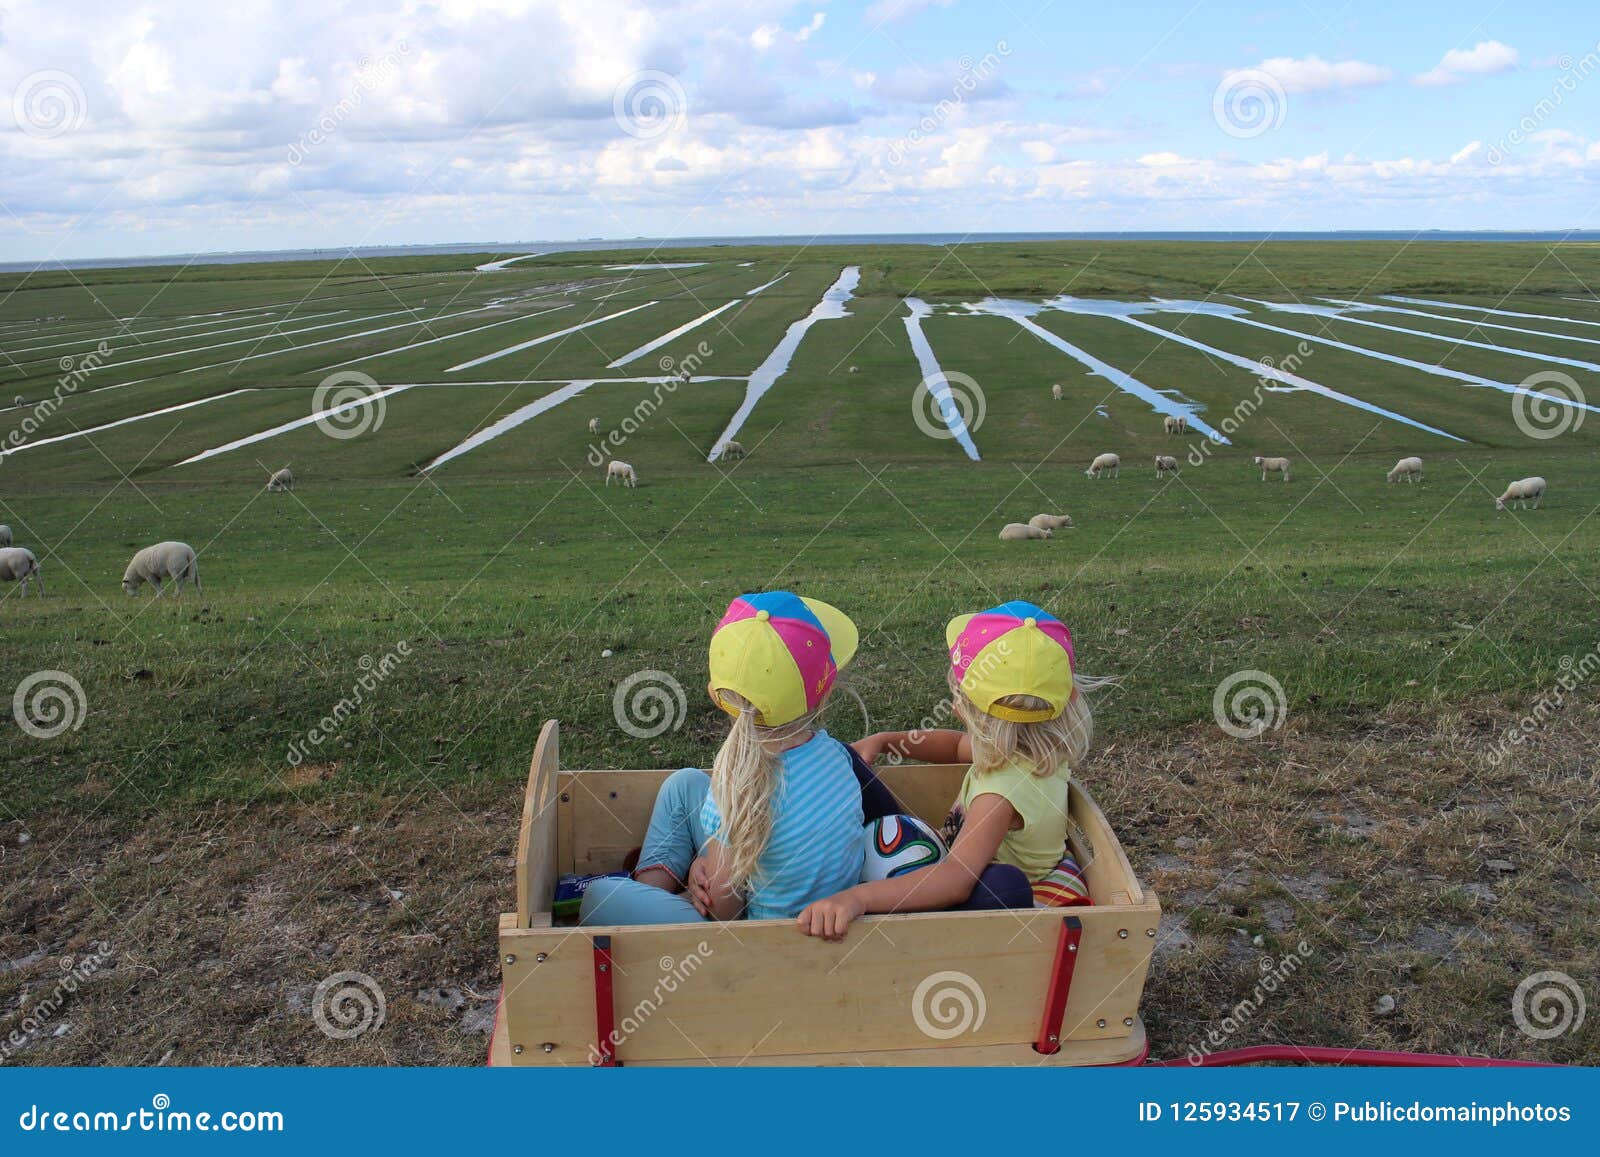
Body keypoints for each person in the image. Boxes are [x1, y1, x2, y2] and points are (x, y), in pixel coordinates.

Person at [798, 600, 1105, 940]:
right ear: (1070, 697)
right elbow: (955, 745)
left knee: (1004, 886)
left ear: (962, 707)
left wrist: (857, 898)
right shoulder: (1024, 746)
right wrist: (886, 740)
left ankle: (845, 869)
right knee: (845, 756)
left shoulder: (999, 797)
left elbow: (958, 879)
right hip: (944, 852)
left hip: (970, 882)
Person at [580, 591, 867, 925]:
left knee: (598, 897)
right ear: (825, 692)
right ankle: (658, 893)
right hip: (809, 903)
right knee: (685, 783)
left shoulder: (735, 788)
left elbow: (724, 911)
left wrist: (700, 879)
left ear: (716, 697)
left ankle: (653, 913)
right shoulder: (835, 754)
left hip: (757, 934)